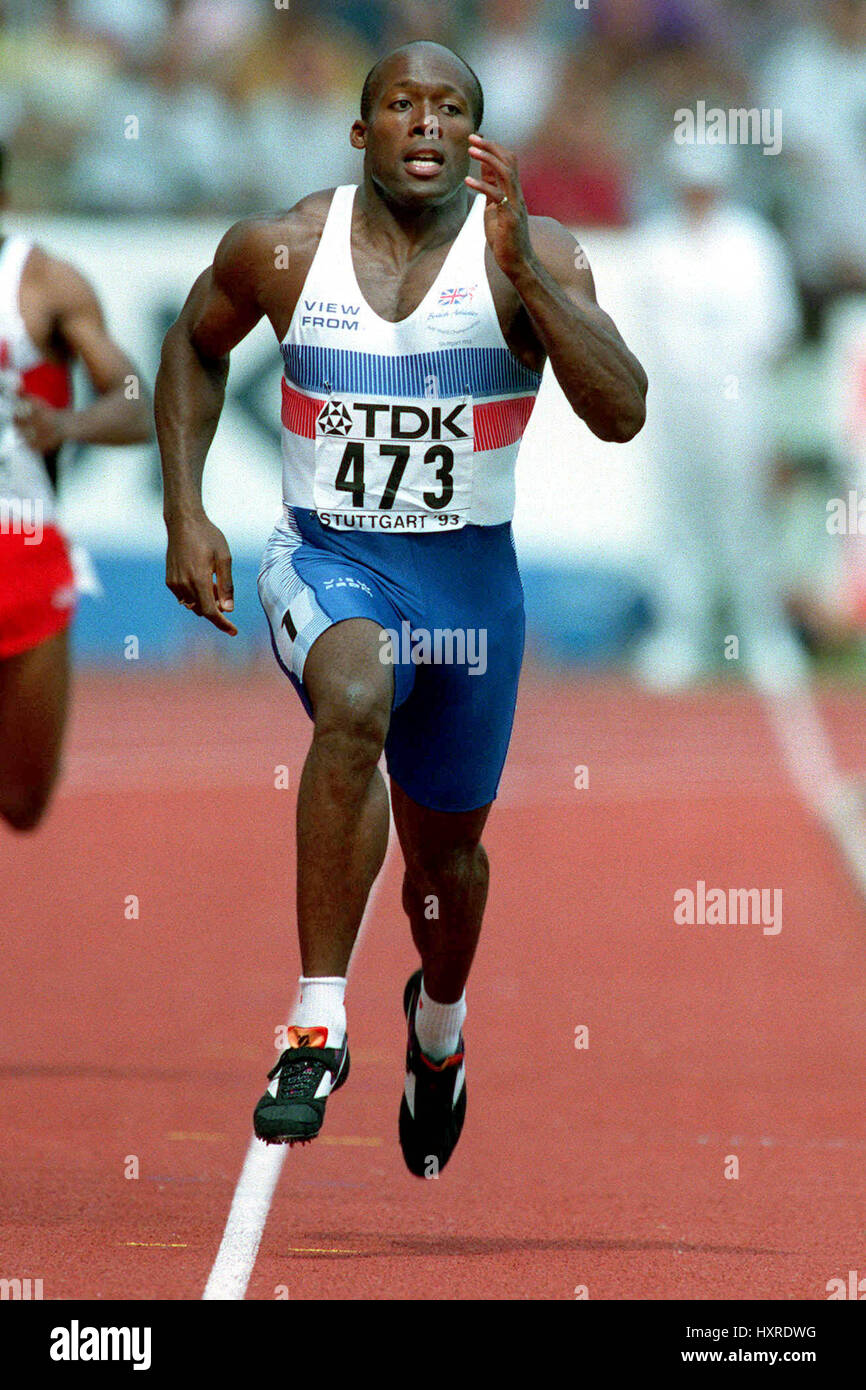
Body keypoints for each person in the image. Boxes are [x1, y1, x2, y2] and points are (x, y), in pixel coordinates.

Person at [155, 41, 646, 1175]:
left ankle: (438, 1025)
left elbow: (622, 411)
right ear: (361, 129)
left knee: (445, 868)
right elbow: (191, 345)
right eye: (401, 104)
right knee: (355, 697)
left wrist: (526, 278)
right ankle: (316, 1022)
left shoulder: (533, 252)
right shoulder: (281, 247)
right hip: (329, 557)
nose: (425, 122)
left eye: (449, 107)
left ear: (476, 137)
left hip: (470, 587)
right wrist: (185, 511)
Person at [0, 145, 152, 833]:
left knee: (23, 801)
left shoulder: (41, 282)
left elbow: (136, 404)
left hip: (22, 548)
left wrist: (65, 424)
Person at [632, 140, 807, 693]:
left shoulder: (753, 243)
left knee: (746, 517)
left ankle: (762, 636)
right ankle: (682, 635)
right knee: (679, 515)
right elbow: (639, 329)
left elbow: (777, 330)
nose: (698, 194)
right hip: (672, 403)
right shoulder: (655, 243)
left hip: (739, 403)